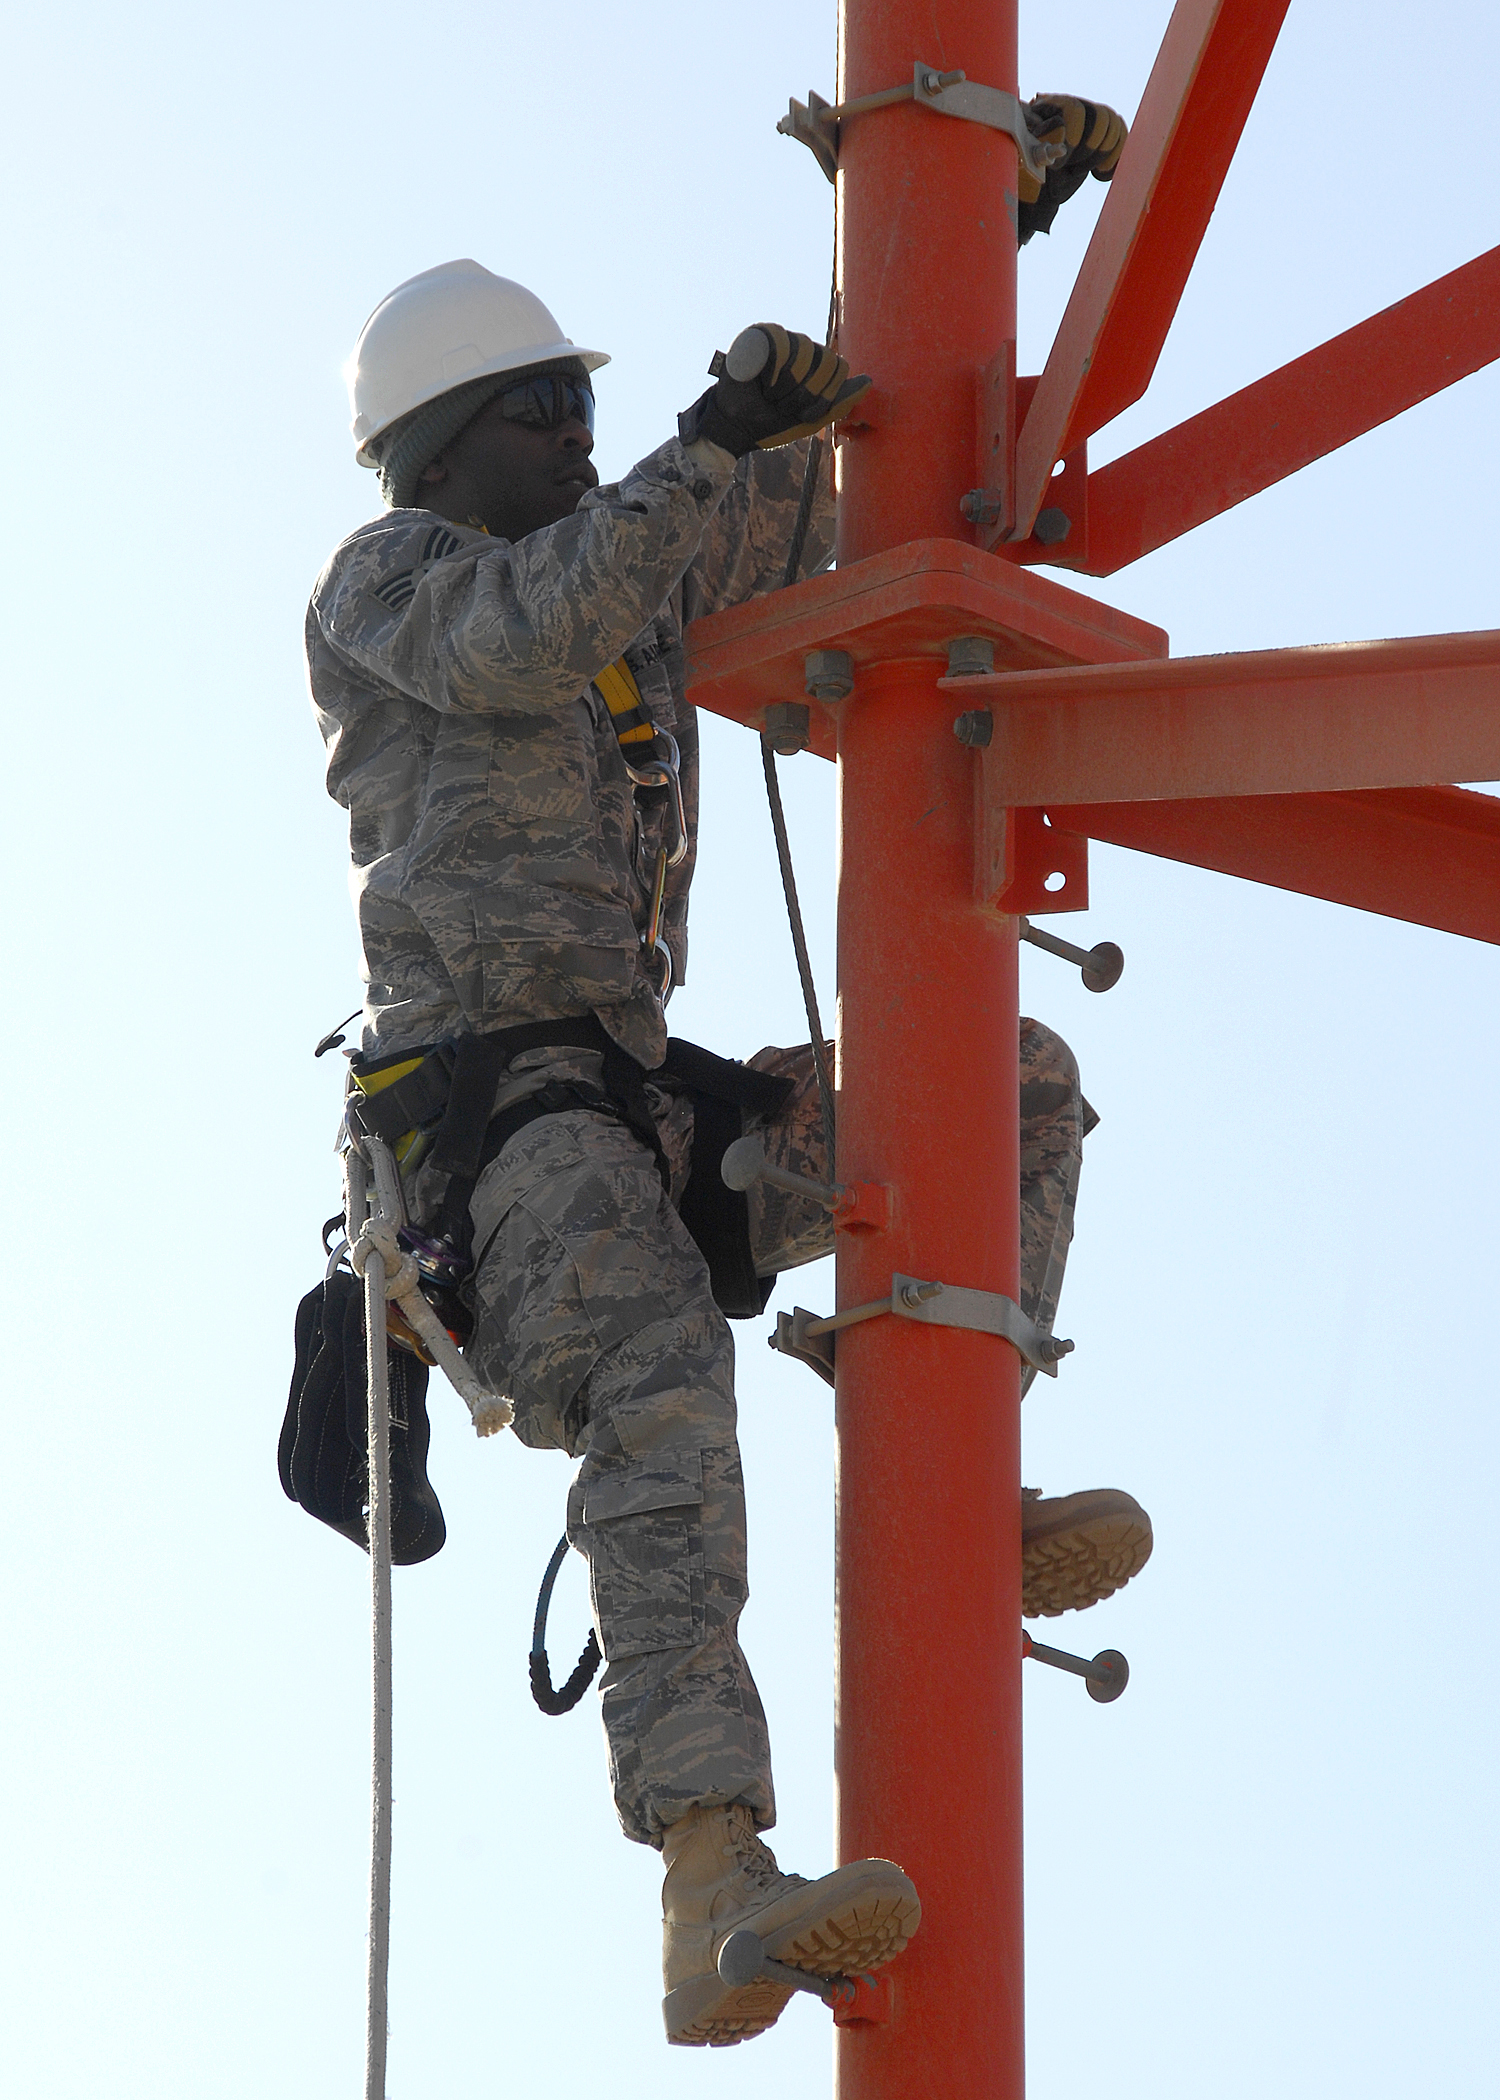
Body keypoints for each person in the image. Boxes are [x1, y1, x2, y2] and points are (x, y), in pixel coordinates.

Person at [302, 99, 1146, 2050]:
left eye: (584, 419)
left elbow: (869, 480)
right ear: (438, 448)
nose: (577, 449)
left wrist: (977, 236)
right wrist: (704, 450)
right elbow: (554, 616)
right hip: (484, 1117)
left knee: (997, 1076)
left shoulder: (643, 536)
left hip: (630, 1094)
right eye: (538, 420)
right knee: (661, 1373)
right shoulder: (389, 582)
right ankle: (710, 1880)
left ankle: (958, 1452)